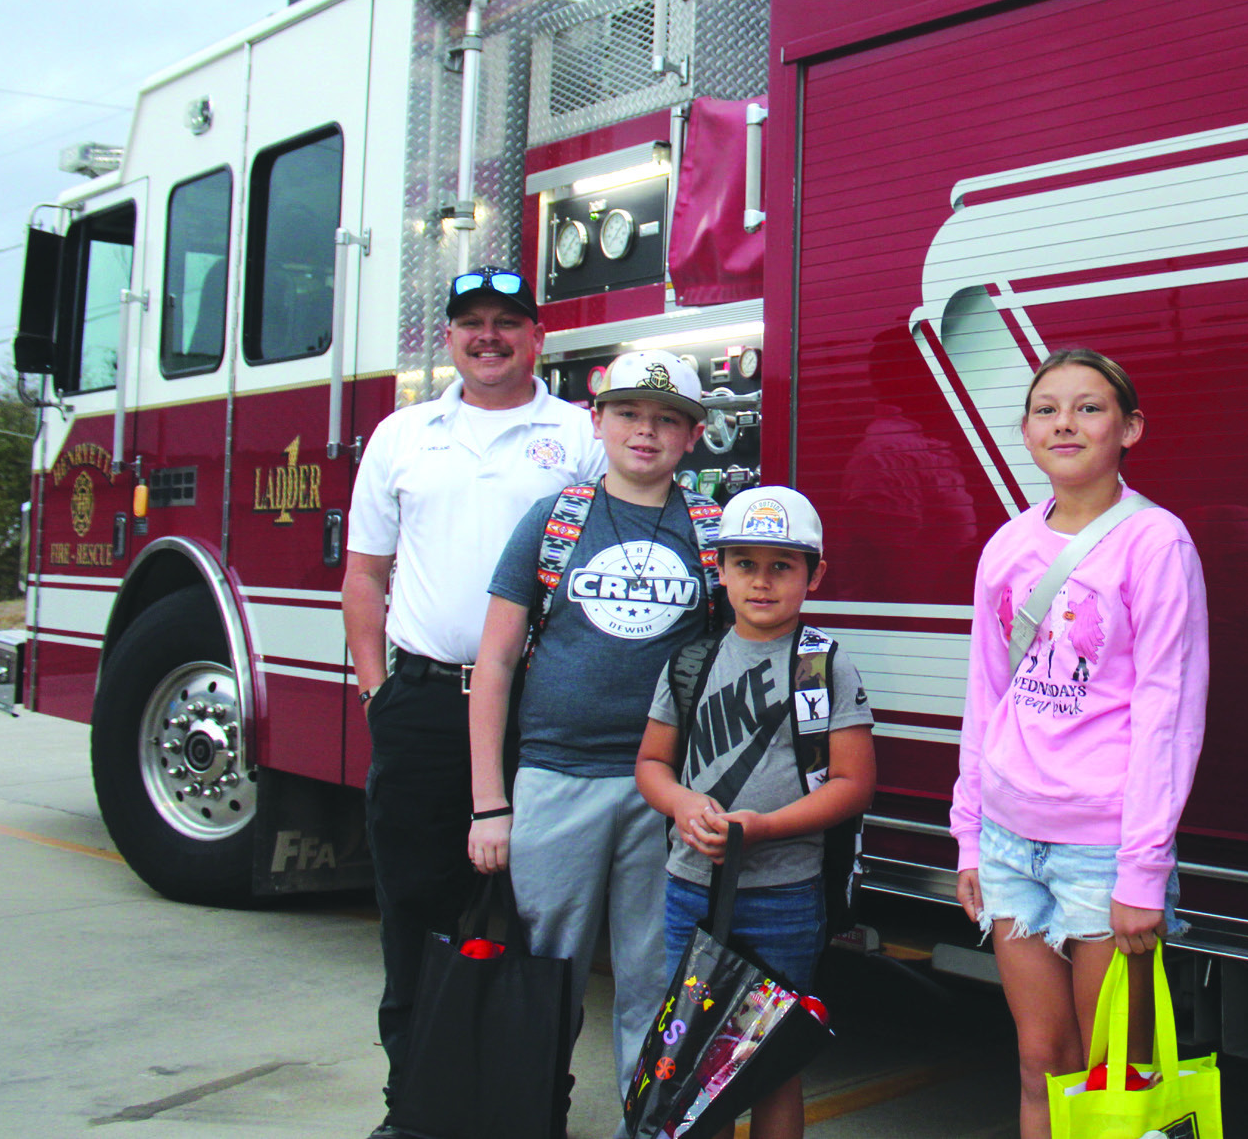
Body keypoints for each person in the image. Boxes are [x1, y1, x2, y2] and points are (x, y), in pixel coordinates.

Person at [343, 266, 604, 1139]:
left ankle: (531, 1106)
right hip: (421, 704)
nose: (487, 336)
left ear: (539, 336)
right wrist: (379, 690)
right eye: (470, 323)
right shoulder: (404, 435)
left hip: (544, 710)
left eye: (507, 322)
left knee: (540, 920)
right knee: (413, 912)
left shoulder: (580, 435)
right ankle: (411, 1106)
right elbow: (365, 575)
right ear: (449, 337)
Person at [951, 349, 1210, 1139]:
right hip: (1007, 842)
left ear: (1130, 428)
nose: (1065, 422)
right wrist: (968, 836)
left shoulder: (1156, 543)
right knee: (1042, 1064)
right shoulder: (1006, 546)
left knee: (1111, 1085)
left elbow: (1170, 710)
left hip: (1104, 852)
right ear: (1026, 431)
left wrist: (1143, 869)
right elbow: (986, 695)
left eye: (1089, 407)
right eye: (1046, 408)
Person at [465, 347, 723, 1135]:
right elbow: (497, 661)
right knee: (548, 974)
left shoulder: (711, 532)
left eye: (666, 420)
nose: (646, 432)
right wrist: (489, 805)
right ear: (598, 421)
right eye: (629, 415)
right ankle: (528, 1117)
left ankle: (647, 1126)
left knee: (655, 976)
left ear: (692, 436)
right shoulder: (553, 521)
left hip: (662, 790)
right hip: (555, 778)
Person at [636, 484, 876, 1139]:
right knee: (692, 1060)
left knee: (773, 1059)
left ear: (813, 574)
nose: (762, 582)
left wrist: (765, 828)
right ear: (719, 569)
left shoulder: (821, 667)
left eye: (782, 566)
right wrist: (683, 804)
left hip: (784, 896)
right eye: (745, 564)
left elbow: (853, 783)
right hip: (692, 891)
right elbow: (651, 765)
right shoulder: (691, 662)